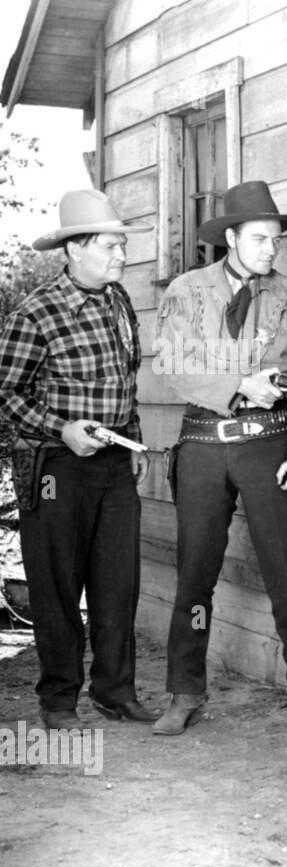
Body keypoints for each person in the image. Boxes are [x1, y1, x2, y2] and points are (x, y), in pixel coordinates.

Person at [152, 181, 287, 740]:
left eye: (276, 241)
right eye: (258, 239)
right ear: (229, 238)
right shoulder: (185, 292)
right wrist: (238, 384)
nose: (270, 250)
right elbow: (172, 366)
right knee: (194, 574)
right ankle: (184, 692)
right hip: (203, 447)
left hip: (270, 446)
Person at [0, 190, 156, 729]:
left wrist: (130, 438)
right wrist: (62, 429)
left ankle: (115, 691)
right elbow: (7, 393)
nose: (121, 257)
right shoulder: (36, 313)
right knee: (58, 585)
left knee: (117, 584)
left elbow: (124, 381)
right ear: (75, 250)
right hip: (56, 468)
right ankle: (59, 700)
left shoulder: (120, 302)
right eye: (111, 247)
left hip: (114, 464)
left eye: (122, 247)